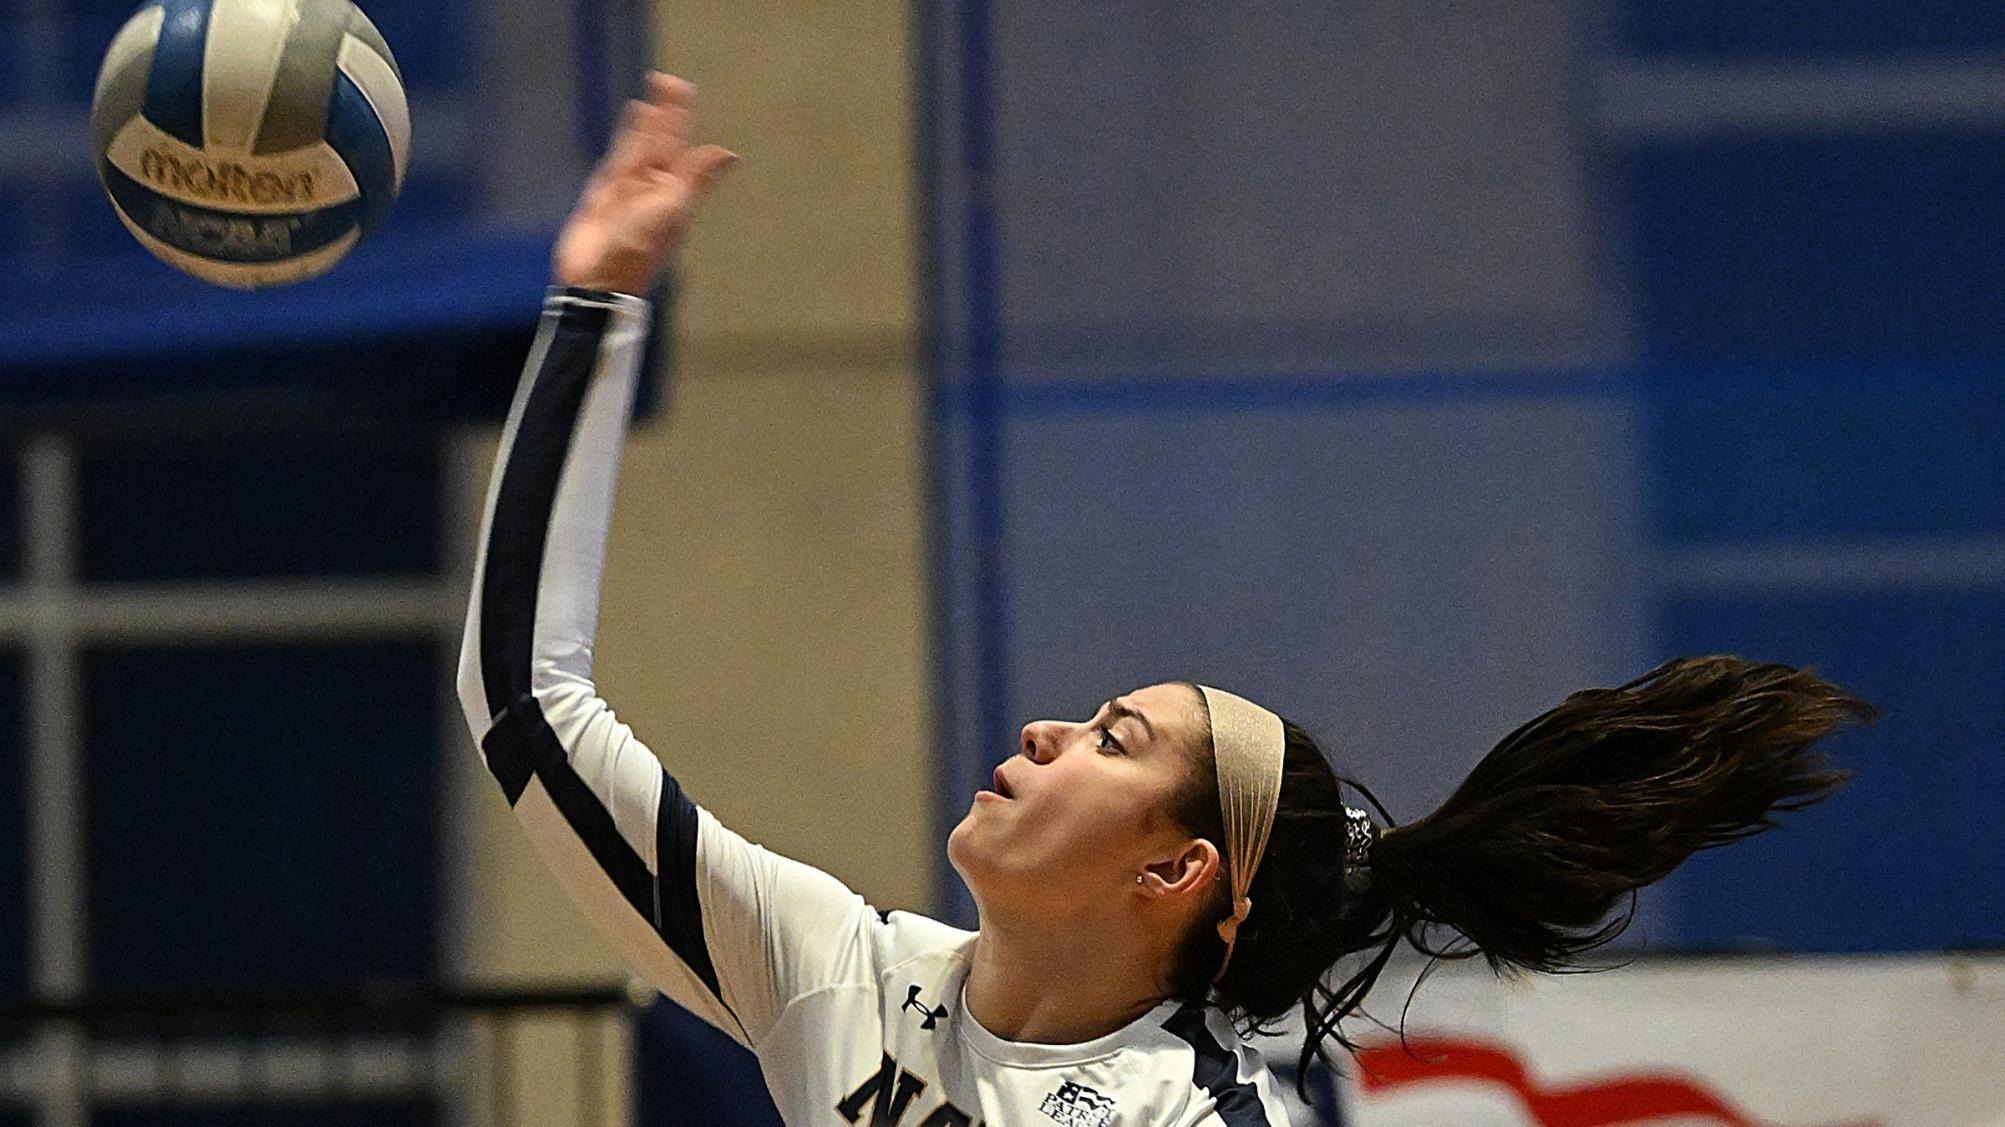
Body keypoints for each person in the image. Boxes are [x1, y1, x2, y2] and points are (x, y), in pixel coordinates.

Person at [455, 72, 1875, 1126]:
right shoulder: (836, 971)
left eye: (1113, 739)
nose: (1046, 732)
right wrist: (595, 308)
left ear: (1172, 873)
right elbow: (525, 699)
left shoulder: (1193, 1116)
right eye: (1093, 719)